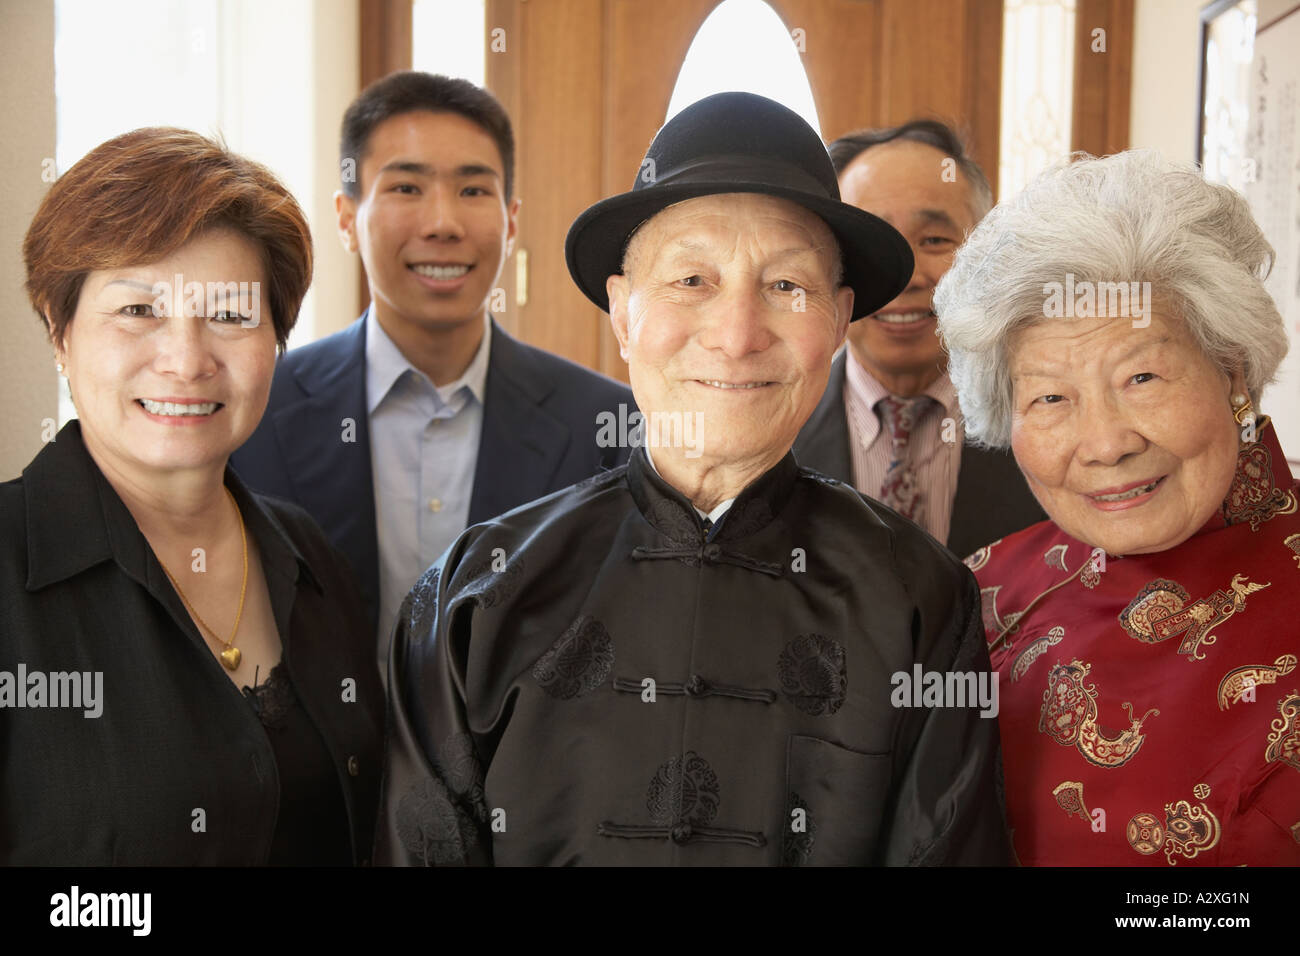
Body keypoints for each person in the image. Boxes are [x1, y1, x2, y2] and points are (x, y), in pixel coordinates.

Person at [375, 92, 1012, 866]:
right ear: (622, 312)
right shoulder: (476, 594)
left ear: (840, 317)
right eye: (690, 281)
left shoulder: (922, 599)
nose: (738, 335)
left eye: (787, 286)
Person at [3, 128, 383, 865]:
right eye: (139, 311)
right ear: (60, 330)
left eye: (231, 314)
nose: (185, 360)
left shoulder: (310, 559)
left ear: (276, 337)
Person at [934, 149, 1300, 866]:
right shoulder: (979, 593)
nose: (1104, 443)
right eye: (1050, 398)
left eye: (1142, 376)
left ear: (1231, 370)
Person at [232, 72, 633, 669]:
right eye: (406, 188)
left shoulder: (611, 422)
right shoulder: (257, 406)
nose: (443, 223)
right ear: (347, 218)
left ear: (511, 218)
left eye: (473, 191)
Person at [795, 120, 1043, 557]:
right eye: (873, 244)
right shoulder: (777, 430)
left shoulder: (1046, 424)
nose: (905, 276)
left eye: (934, 240)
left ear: (986, 252)